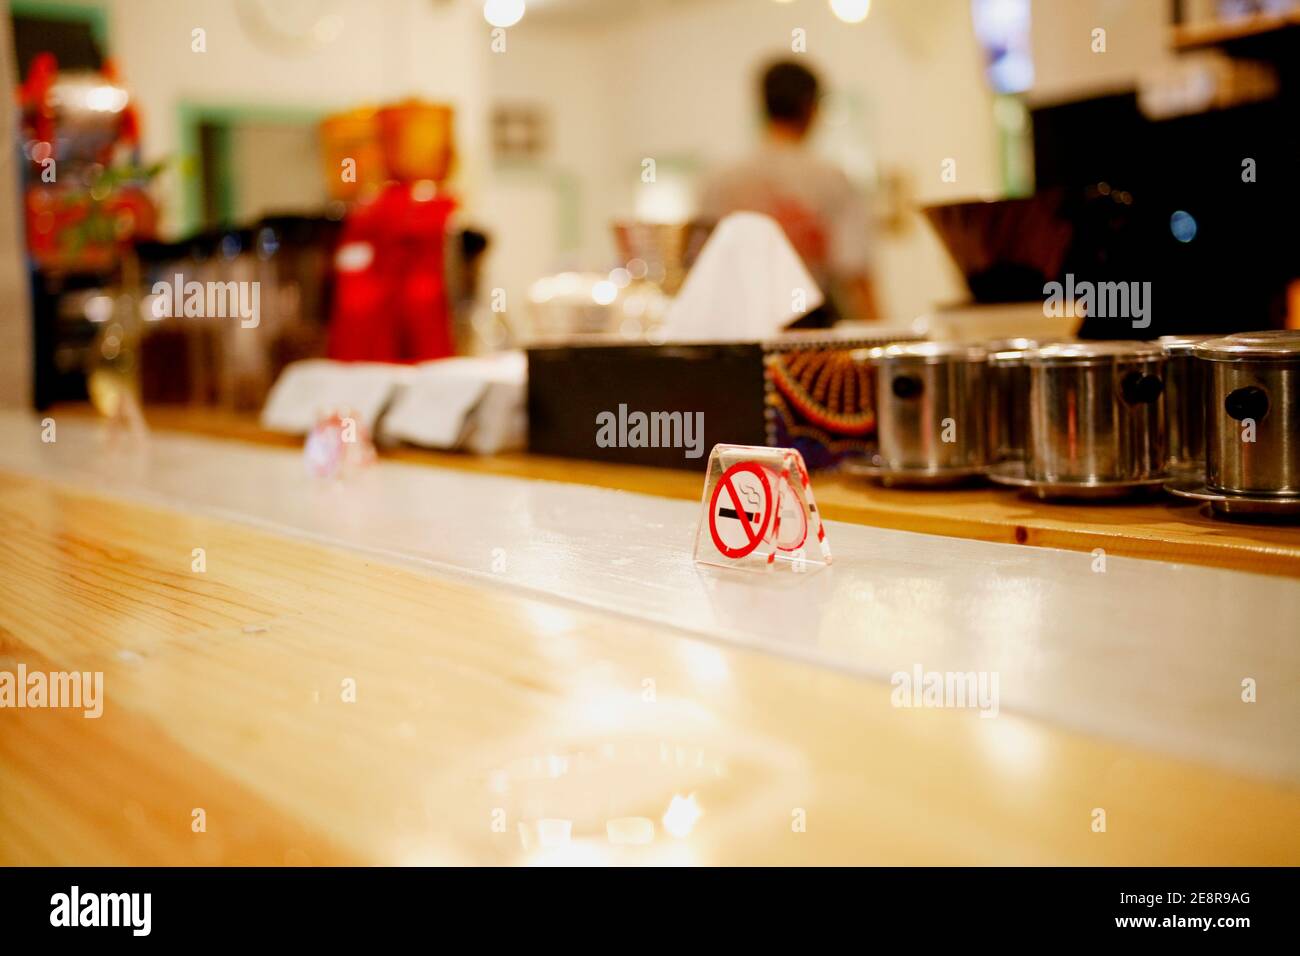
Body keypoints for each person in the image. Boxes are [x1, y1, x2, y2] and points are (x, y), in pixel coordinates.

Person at [699, 59, 881, 325]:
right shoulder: (831, 179)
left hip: (736, 327)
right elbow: (853, 272)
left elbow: (703, 266)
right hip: (809, 330)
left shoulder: (720, 180)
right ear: (811, 107)